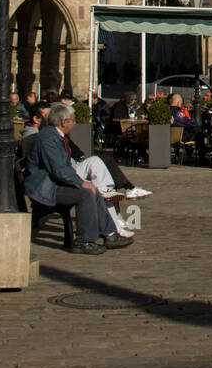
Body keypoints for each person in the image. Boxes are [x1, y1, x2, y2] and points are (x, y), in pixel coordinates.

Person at [23, 102, 132, 254]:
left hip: (53, 182)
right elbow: (59, 170)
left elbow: (62, 168)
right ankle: (84, 241)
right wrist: (81, 183)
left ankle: (110, 234)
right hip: (45, 187)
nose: (74, 123)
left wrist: (84, 183)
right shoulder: (49, 138)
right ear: (64, 122)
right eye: (72, 120)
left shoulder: (55, 135)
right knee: (86, 193)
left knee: (92, 189)